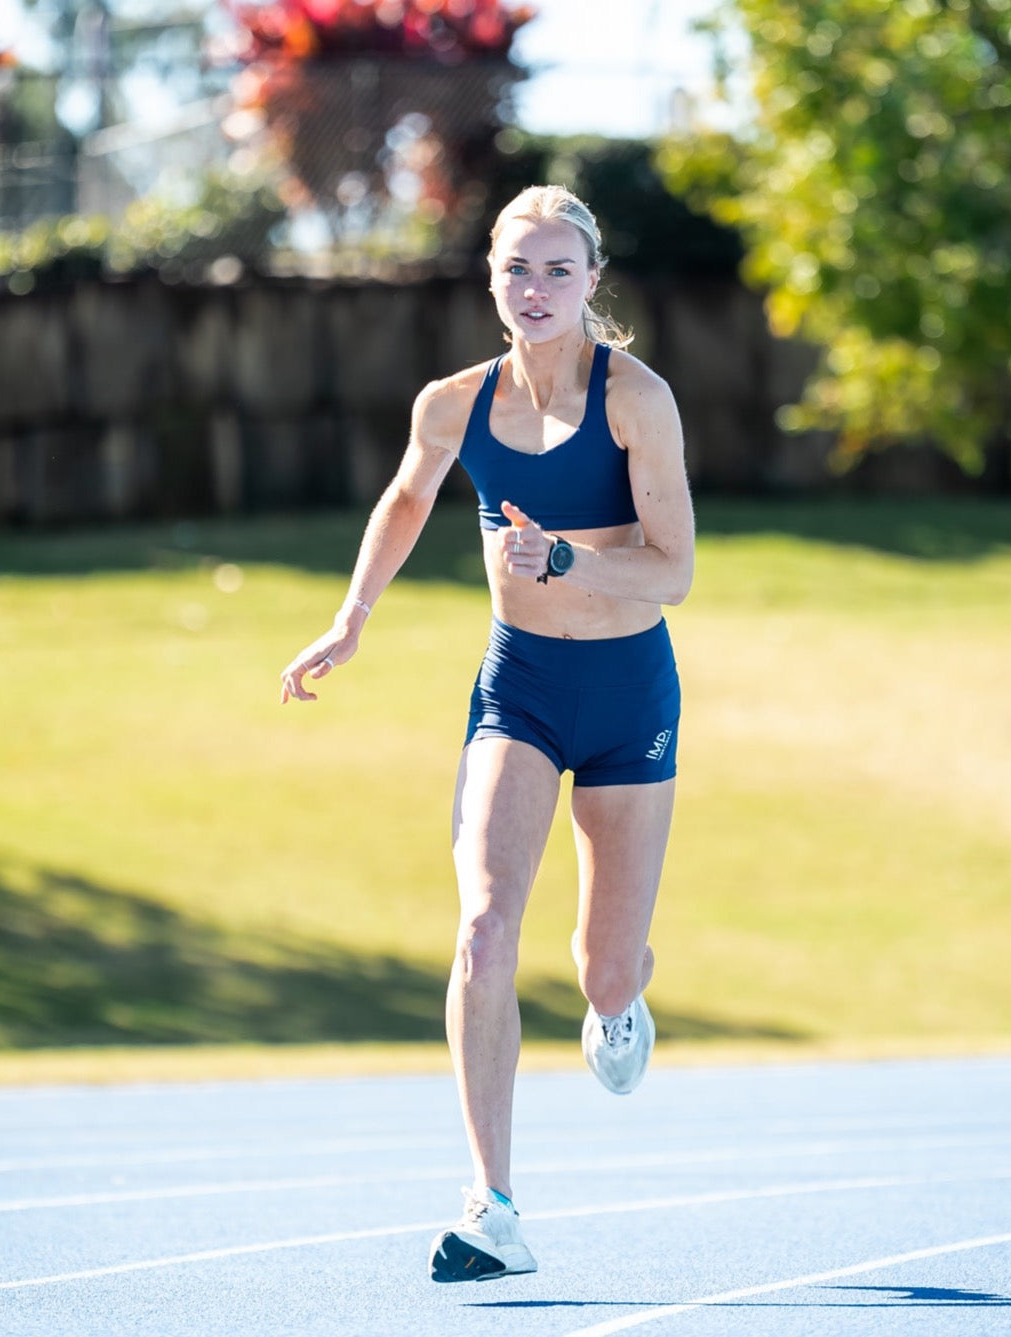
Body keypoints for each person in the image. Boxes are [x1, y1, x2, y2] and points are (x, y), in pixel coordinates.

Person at [279, 184, 694, 1283]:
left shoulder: (636, 399)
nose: (537, 289)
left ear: (592, 280)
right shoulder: (453, 403)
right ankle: (492, 1202)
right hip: (518, 687)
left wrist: (563, 557)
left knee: (603, 971)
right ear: (492, 281)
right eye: (518, 269)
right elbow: (407, 500)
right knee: (480, 928)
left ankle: (619, 998)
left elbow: (674, 569)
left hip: (627, 695)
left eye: (559, 270)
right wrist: (349, 619)